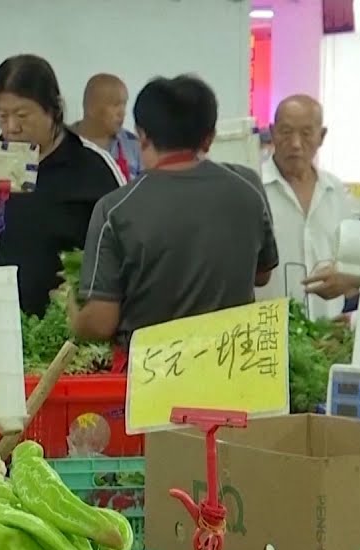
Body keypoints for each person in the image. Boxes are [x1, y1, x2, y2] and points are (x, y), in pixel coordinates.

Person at [69, 74, 278, 361]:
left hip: (152, 377)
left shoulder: (115, 208)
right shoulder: (248, 190)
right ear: (209, 137)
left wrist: (73, 316)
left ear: (142, 135)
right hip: (233, 370)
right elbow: (262, 274)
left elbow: (101, 321)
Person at [0, 55, 124, 315]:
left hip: (62, 333)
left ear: (54, 109)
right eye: (2, 116)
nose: (11, 127)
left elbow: (123, 251)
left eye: (22, 115)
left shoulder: (91, 167)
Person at [258, 95, 352, 319]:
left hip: (328, 328)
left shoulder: (334, 190)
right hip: (270, 329)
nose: (296, 144)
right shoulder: (254, 187)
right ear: (272, 132)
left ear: (322, 136)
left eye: (306, 133)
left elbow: (348, 259)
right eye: (286, 132)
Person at [72, 73, 143, 182]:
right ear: (91, 108)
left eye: (124, 104)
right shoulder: (61, 142)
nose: (122, 113)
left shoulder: (134, 146)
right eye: (115, 105)